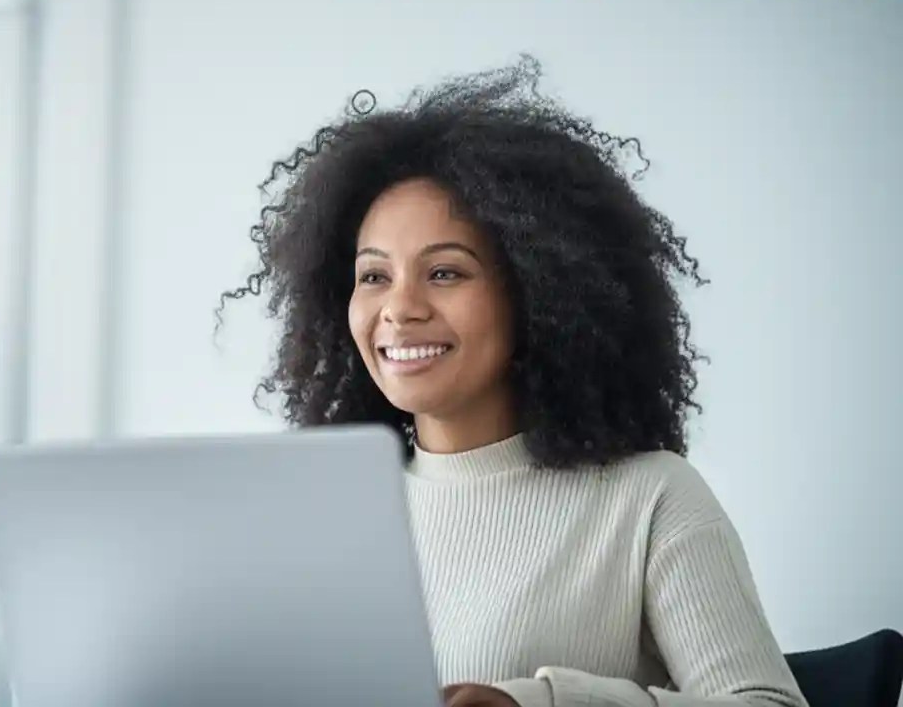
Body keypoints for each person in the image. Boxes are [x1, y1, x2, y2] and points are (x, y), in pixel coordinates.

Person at [218, 56, 808, 707]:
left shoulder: (648, 499)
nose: (400, 307)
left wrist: (540, 703)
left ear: (537, 293)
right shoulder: (329, 514)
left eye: (444, 273)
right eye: (374, 276)